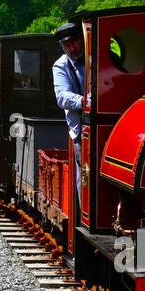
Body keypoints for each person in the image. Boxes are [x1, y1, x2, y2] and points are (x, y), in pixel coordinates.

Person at [52, 20, 86, 199]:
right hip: (82, 130)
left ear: (82, 39)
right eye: (67, 45)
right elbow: (62, 96)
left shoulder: (95, 59)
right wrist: (84, 101)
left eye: (74, 42)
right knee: (85, 175)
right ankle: (85, 215)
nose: (72, 48)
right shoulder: (60, 66)